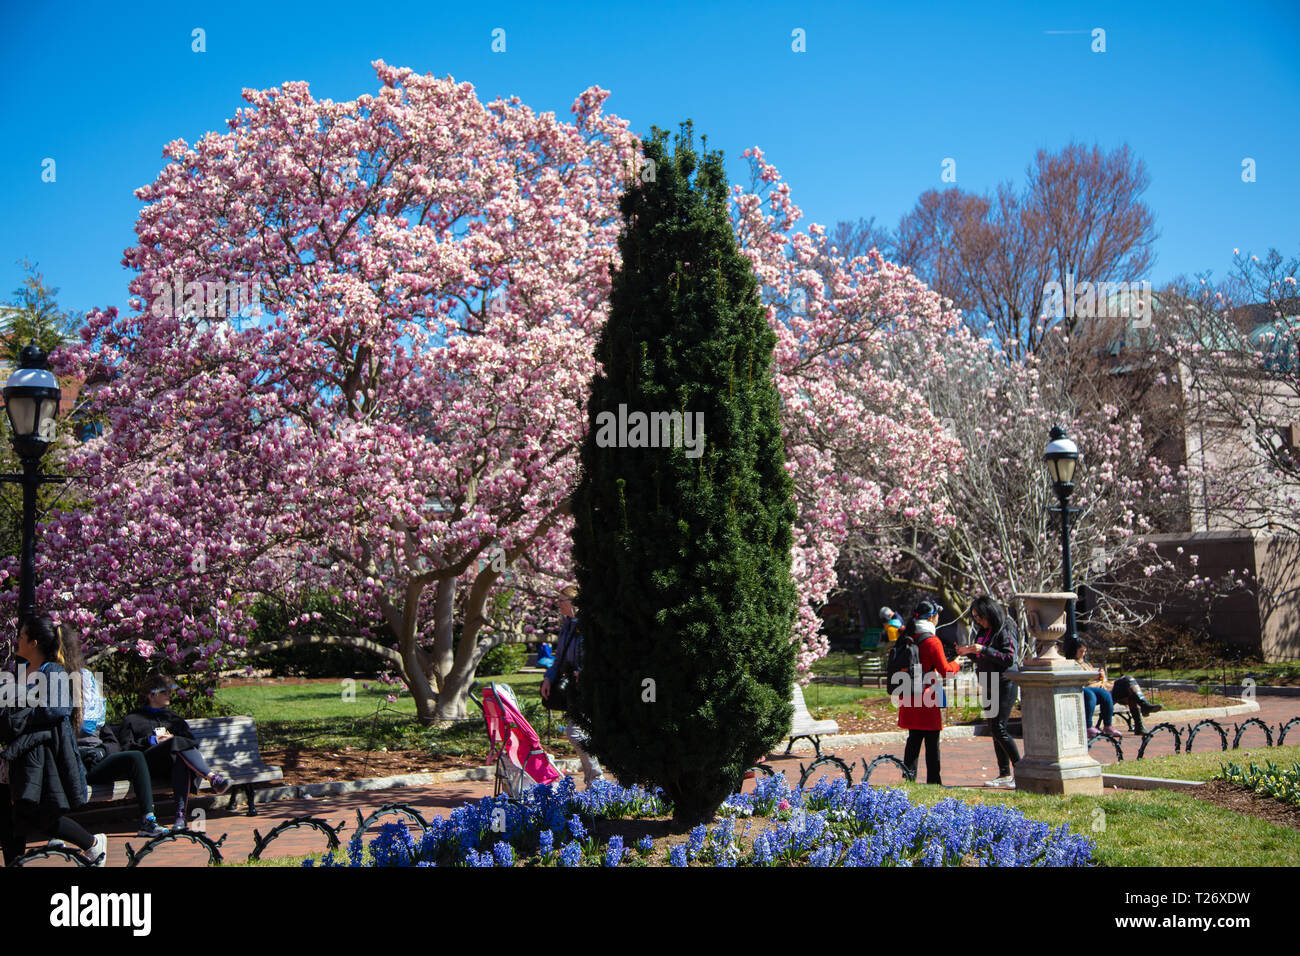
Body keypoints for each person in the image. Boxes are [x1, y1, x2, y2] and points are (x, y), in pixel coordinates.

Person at [0, 615, 107, 865]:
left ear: (34, 642)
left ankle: (92, 844)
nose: (16, 640)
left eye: (21, 636)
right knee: (9, 820)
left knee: (38, 816)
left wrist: (20, 714)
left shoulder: (54, 670)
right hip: (18, 756)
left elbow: (58, 709)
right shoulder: (23, 671)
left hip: (43, 758)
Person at [60, 629, 168, 837]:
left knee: (135, 758)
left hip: (92, 758)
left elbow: (91, 724)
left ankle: (148, 820)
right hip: (68, 759)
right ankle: (56, 831)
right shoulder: (48, 677)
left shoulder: (86, 677)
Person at [117, 673, 230, 830]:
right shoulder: (133, 719)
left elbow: (191, 743)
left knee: (180, 759)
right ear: (151, 695)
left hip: (172, 766)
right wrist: (153, 741)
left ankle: (180, 817)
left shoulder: (174, 718)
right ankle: (212, 777)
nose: (169, 695)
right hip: (147, 766)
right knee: (176, 742)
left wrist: (172, 740)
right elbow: (126, 748)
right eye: (164, 692)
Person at [540, 585, 603, 787]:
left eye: (561, 601)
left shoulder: (588, 624)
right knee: (578, 732)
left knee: (576, 732)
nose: (558, 606)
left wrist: (583, 671)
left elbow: (598, 654)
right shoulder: (566, 626)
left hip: (589, 687)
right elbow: (558, 659)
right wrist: (548, 678)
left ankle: (597, 779)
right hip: (573, 688)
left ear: (573, 602)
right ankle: (594, 780)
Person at [956, 595, 1020, 788]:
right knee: (993, 727)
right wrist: (968, 652)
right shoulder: (983, 631)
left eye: (980, 616)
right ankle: (1004, 773)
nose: (978, 620)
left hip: (1005, 681)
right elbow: (982, 656)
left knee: (1000, 727)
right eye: (975, 617)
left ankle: (1020, 769)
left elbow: (1009, 658)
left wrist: (983, 650)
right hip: (988, 681)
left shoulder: (1005, 628)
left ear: (990, 612)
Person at [897, 600, 960, 785]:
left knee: (914, 738)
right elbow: (946, 671)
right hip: (927, 694)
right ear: (932, 617)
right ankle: (934, 781)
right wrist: (958, 663)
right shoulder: (932, 641)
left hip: (907, 692)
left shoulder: (907, 635)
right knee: (932, 740)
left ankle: (908, 778)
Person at [1061, 636, 1121, 738]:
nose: (1083, 654)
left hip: (1093, 687)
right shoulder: (1068, 663)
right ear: (1073, 650)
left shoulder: (1085, 662)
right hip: (1078, 688)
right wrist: (1093, 676)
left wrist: (1100, 675)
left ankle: (1108, 726)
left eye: (1084, 651)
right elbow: (1075, 678)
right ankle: (1088, 727)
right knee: (1090, 694)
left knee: (1105, 694)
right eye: (1081, 651)